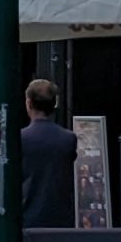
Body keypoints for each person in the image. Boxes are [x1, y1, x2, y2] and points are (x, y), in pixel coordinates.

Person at [19, 77, 78, 230]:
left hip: (28, 218)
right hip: (61, 221)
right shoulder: (68, 139)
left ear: (28, 104)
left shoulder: (20, 139)